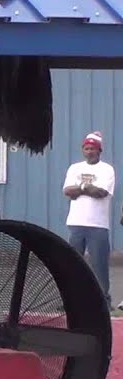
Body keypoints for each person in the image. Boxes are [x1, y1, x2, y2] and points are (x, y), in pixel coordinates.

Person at [63, 131, 115, 306]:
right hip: (76, 223)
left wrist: (80, 188)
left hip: (98, 224)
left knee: (99, 264)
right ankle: (71, 299)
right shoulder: (75, 168)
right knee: (73, 263)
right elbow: (68, 191)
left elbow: (101, 192)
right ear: (83, 150)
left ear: (99, 150)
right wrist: (88, 188)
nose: (89, 151)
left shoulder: (106, 169)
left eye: (93, 148)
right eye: (86, 148)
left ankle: (103, 301)